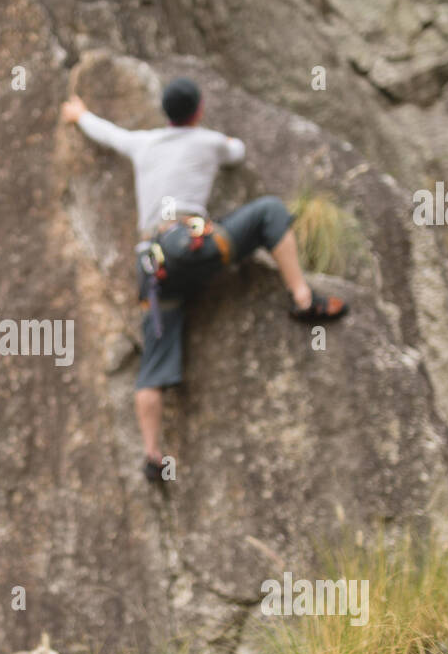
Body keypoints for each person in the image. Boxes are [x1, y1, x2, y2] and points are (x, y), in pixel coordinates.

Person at [61, 78, 347, 483]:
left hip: (153, 268)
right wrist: (222, 139)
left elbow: (108, 134)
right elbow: (238, 151)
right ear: (197, 111)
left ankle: (152, 454)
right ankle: (303, 298)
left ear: (166, 112)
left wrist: (79, 114)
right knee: (268, 211)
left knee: (154, 359)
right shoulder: (208, 141)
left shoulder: (142, 143)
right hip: (190, 246)